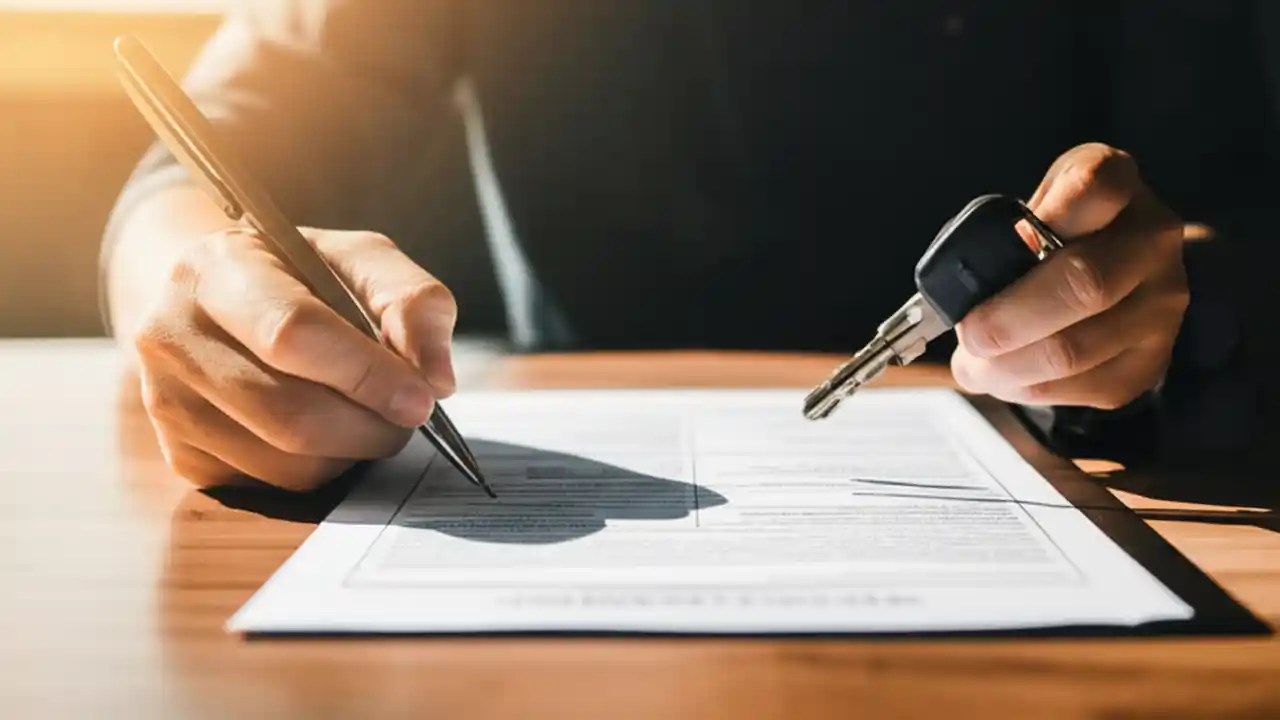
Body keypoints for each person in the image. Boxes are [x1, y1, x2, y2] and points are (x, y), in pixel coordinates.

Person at [102, 2, 1276, 491]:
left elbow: (1228, 209)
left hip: (1081, 468)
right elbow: (194, 171)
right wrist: (196, 285)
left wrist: (1174, 298)